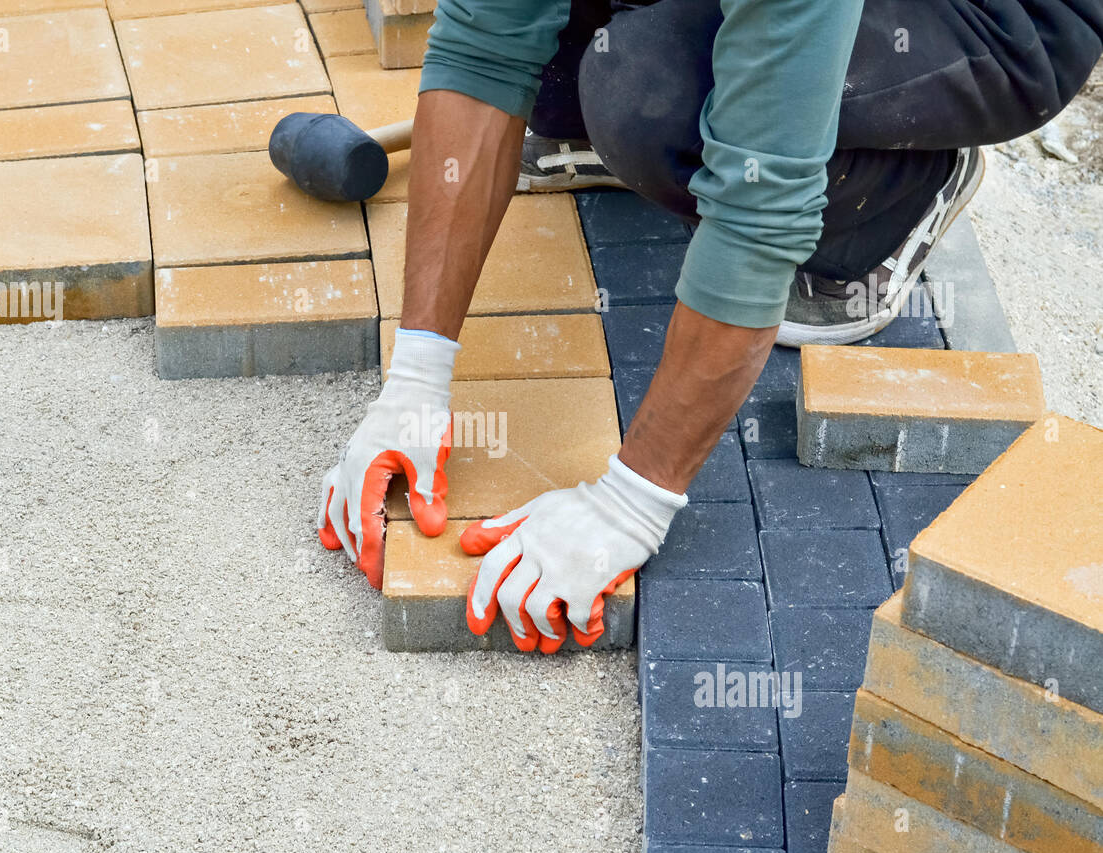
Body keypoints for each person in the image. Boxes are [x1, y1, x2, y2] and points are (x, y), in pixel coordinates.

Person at [318, 0, 1103, 653]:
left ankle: (895, 190)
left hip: (991, 21)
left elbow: (759, 217)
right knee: (565, 65)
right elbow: (487, 45)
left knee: (645, 93)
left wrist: (630, 502)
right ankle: (696, 118)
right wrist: (416, 375)